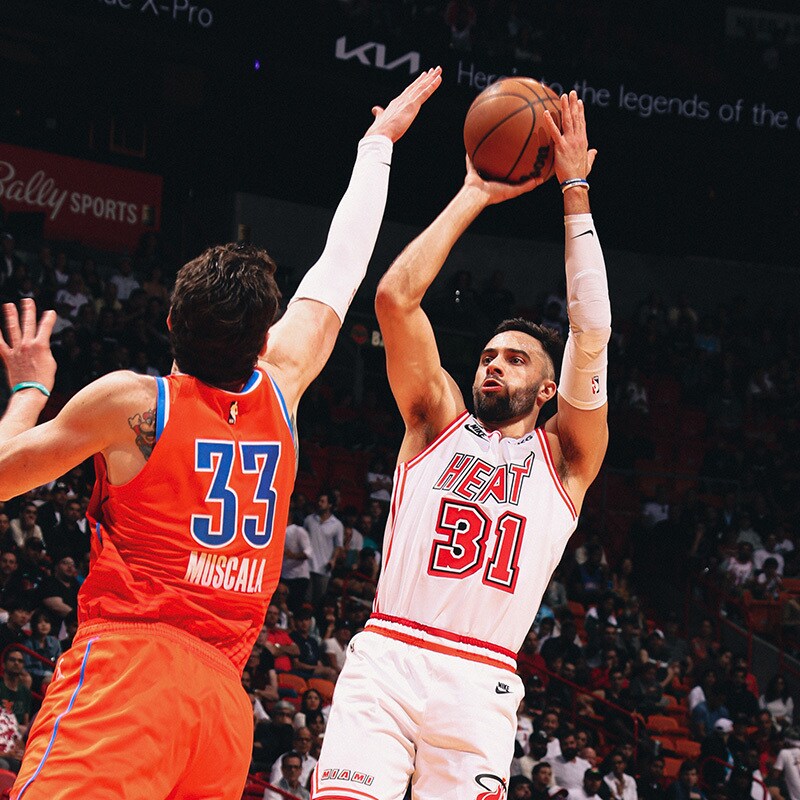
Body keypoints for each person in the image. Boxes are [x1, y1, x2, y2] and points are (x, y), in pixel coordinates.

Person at [0, 68, 442, 800]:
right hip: (221, 710)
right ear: (264, 337)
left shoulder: (132, 405)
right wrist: (377, 146)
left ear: (170, 322)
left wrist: (28, 388)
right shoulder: (286, 384)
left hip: (127, 681)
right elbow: (341, 267)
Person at [315, 92, 609, 800]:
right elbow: (395, 300)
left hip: (479, 679)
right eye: (487, 354)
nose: (493, 363)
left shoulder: (565, 460)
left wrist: (575, 194)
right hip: (386, 656)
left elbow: (591, 331)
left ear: (548, 391)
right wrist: (474, 192)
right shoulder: (434, 420)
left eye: (513, 359)